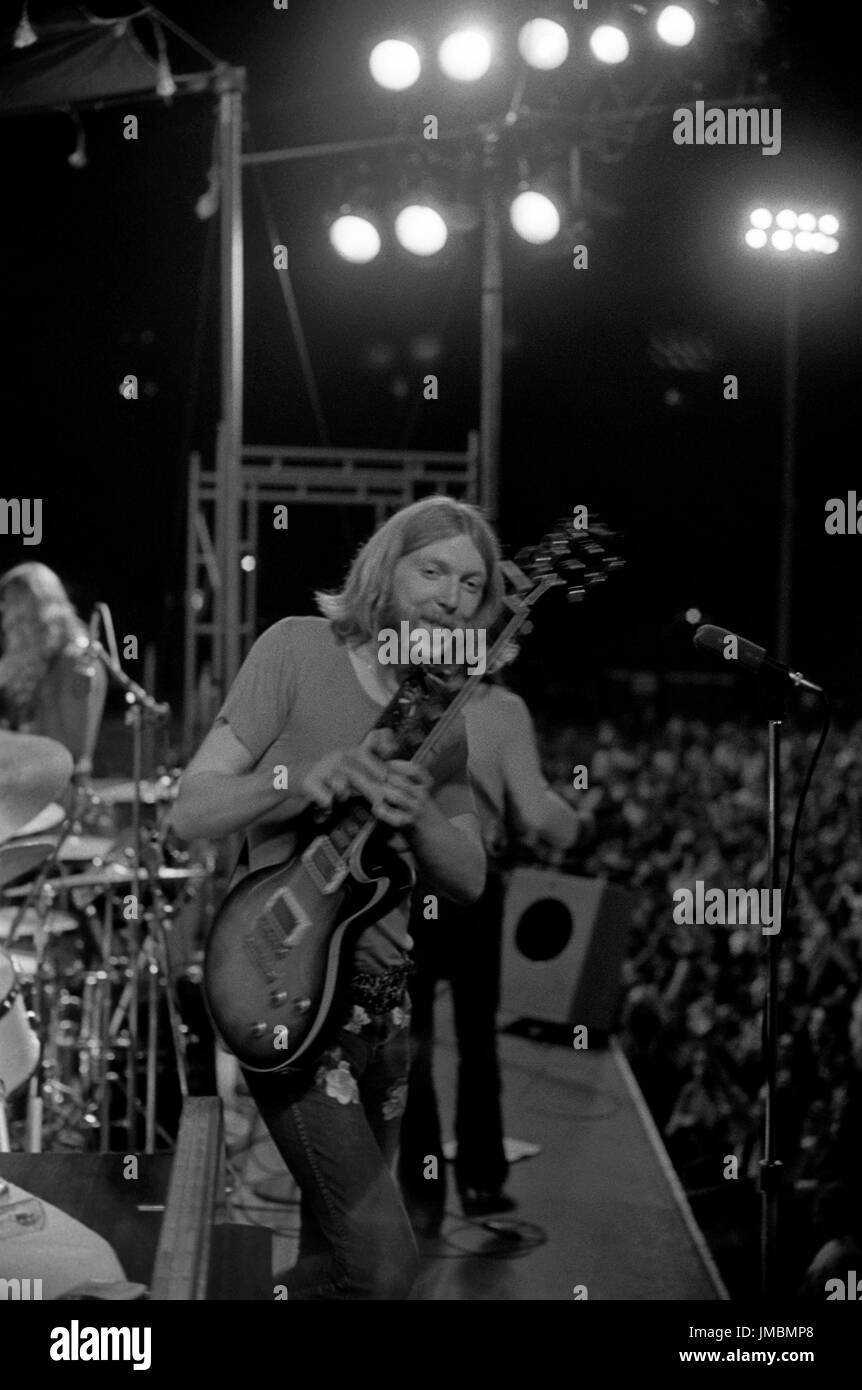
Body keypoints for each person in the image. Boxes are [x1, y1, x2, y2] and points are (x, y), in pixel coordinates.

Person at [172, 496, 501, 1300]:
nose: (450, 596)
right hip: (285, 996)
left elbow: (468, 877)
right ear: (385, 569)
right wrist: (291, 783)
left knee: (333, 1260)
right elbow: (189, 810)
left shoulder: (445, 722)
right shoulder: (295, 649)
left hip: (384, 1018)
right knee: (386, 1265)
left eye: (470, 584)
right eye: (432, 570)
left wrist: (416, 800)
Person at [398, 675, 580, 1231]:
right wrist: (574, 823)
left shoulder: (399, 699)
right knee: (477, 1037)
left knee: (413, 1044)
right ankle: (480, 1181)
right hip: (473, 887)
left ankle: (420, 1190)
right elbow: (535, 811)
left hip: (405, 886)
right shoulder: (503, 708)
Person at [0, 563, 106, 776]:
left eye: (19, 616)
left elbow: (71, 751)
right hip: (24, 791)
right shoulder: (25, 660)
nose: (8, 623)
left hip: (61, 796)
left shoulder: (75, 661)